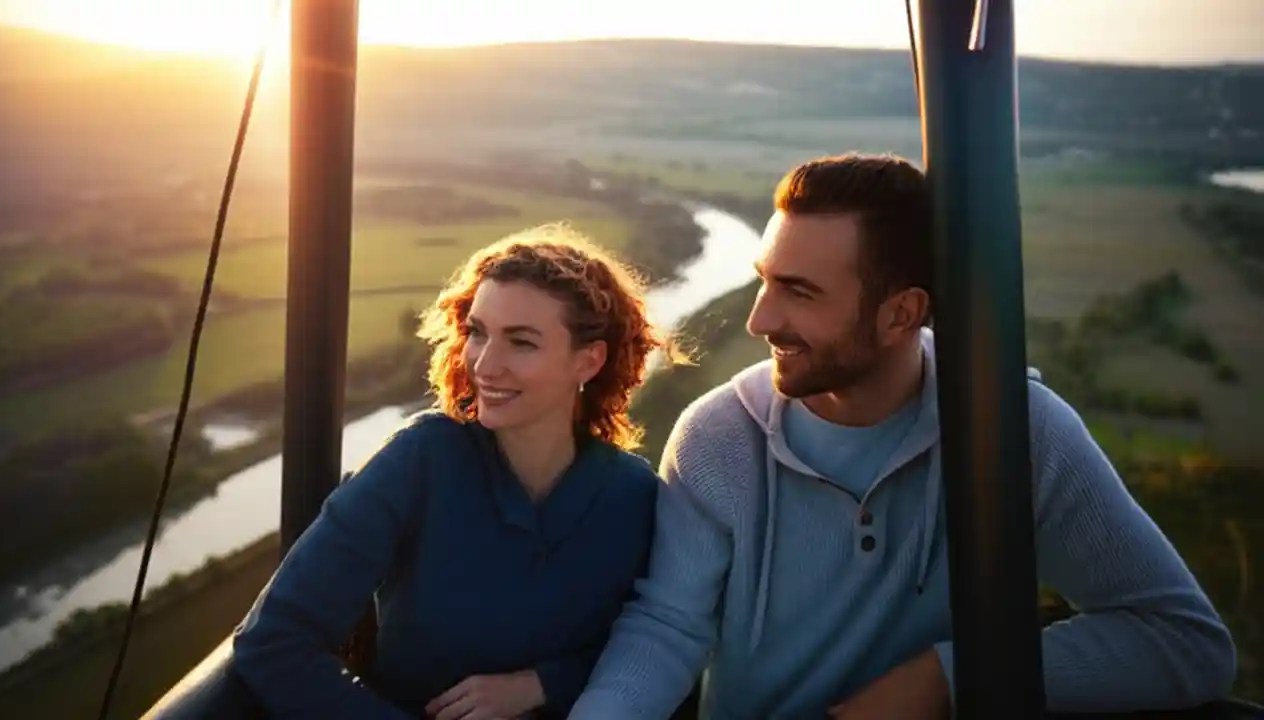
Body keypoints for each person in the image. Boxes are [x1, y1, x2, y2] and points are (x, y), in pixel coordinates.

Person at [568, 153, 1237, 719]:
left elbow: (1182, 641)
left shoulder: (1016, 432)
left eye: (799, 292)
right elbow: (667, 628)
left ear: (901, 314)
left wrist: (941, 679)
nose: (760, 319)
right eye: (765, 282)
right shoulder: (718, 437)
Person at [232, 224, 682, 719]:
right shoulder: (421, 459)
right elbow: (274, 638)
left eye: (522, 342)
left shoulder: (632, 496)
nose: (486, 365)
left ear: (588, 360)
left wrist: (540, 684)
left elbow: (660, 644)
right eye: (477, 333)